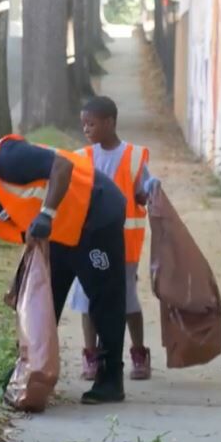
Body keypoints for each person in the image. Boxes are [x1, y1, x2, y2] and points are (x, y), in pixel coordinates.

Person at [0, 135, 128, 405]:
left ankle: (111, 379)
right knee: (39, 303)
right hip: (57, 233)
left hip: (95, 213)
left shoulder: (7, 158)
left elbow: (62, 167)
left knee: (105, 297)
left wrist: (47, 214)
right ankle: (31, 371)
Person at [69, 96, 160, 381]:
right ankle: (91, 356)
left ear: (110, 123)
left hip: (123, 246)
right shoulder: (83, 157)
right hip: (89, 244)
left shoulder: (132, 157)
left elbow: (142, 189)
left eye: (92, 123)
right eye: (83, 124)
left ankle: (139, 354)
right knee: (87, 300)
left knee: (127, 301)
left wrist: (150, 188)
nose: (86, 129)